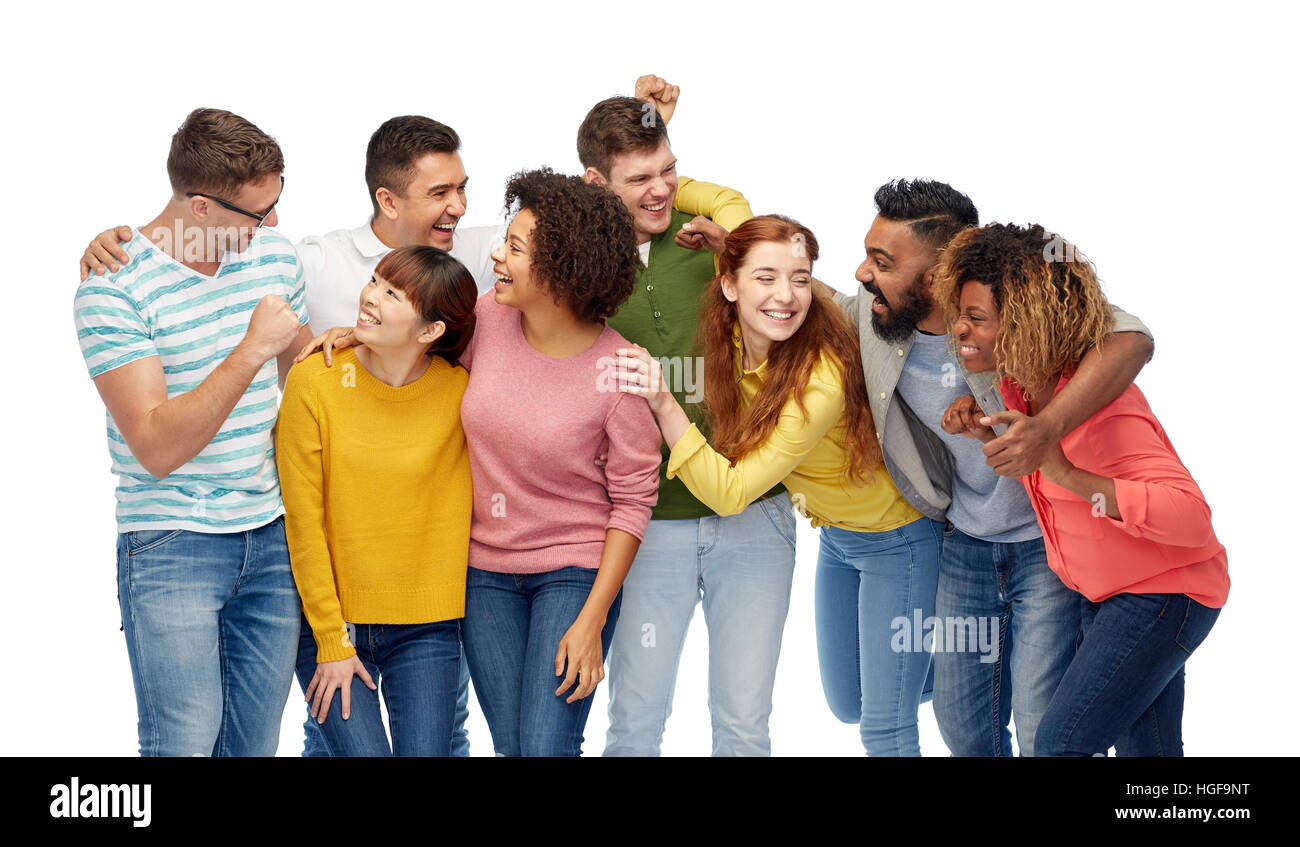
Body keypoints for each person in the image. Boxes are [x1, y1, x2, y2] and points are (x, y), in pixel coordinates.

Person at [831, 179, 1156, 756]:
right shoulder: (874, 322)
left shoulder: (1012, 309)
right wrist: (728, 244)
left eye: (881, 261)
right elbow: (799, 293)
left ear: (934, 279)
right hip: (964, 544)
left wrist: (1046, 430)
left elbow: (1130, 337)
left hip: (1047, 547)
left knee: (1040, 730)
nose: (862, 271)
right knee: (965, 731)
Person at [616, 215, 941, 755]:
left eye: (800, 278)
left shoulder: (821, 377)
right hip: (839, 541)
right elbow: (695, 193)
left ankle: (951, 675)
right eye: (766, 277)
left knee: (884, 728)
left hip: (898, 542)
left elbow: (730, 493)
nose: (787, 296)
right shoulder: (730, 344)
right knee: (848, 703)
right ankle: (944, 676)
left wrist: (662, 401)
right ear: (728, 284)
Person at [72, 108, 314, 756]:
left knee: (252, 745)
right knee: (182, 742)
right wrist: (250, 350)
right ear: (201, 207)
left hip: (270, 537)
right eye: (258, 213)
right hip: (173, 542)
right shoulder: (113, 287)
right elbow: (155, 445)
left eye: (276, 203)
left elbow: (312, 386)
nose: (274, 225)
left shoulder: (275, 257)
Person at [936, 222, 1228, 756]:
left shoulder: (1103, 406)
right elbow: (1045, 476)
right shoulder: (1018, 390)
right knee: (1149, 753)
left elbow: (1192, 518)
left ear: (1023, 323)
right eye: (960, 313)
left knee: (1059, 745)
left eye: (976, 317)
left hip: (1163, 595)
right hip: (1108, 596)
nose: (958, 329)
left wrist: (1064, 470)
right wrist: (988, 428)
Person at [578, 94, 798, 758]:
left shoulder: (718, 237)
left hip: (753, 514)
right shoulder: (579, 263)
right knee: (635, 721)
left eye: (668, 170)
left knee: (743, 724)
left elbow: (787, 294)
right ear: (597, 185)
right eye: (639, 179)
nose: (661, 189)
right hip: (645, 522)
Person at [456, 168, 661, 756]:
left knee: (546, 746)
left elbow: (633, 501)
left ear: (563, 270)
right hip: (483, 572)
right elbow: (418, 355)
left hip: (572, 570)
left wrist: (593, 618)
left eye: (515, 248)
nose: (496, 254)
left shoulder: (618, 370)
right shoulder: (486, 318)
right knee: (515, 747)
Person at [277, 246, 477, 756]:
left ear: (431, 331)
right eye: (375, 281)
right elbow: (304, 522)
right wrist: (330, 640)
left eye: (393, 294)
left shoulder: (461, 393)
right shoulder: (315, 380)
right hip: (333, 622)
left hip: (427, 627)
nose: (369, 297)